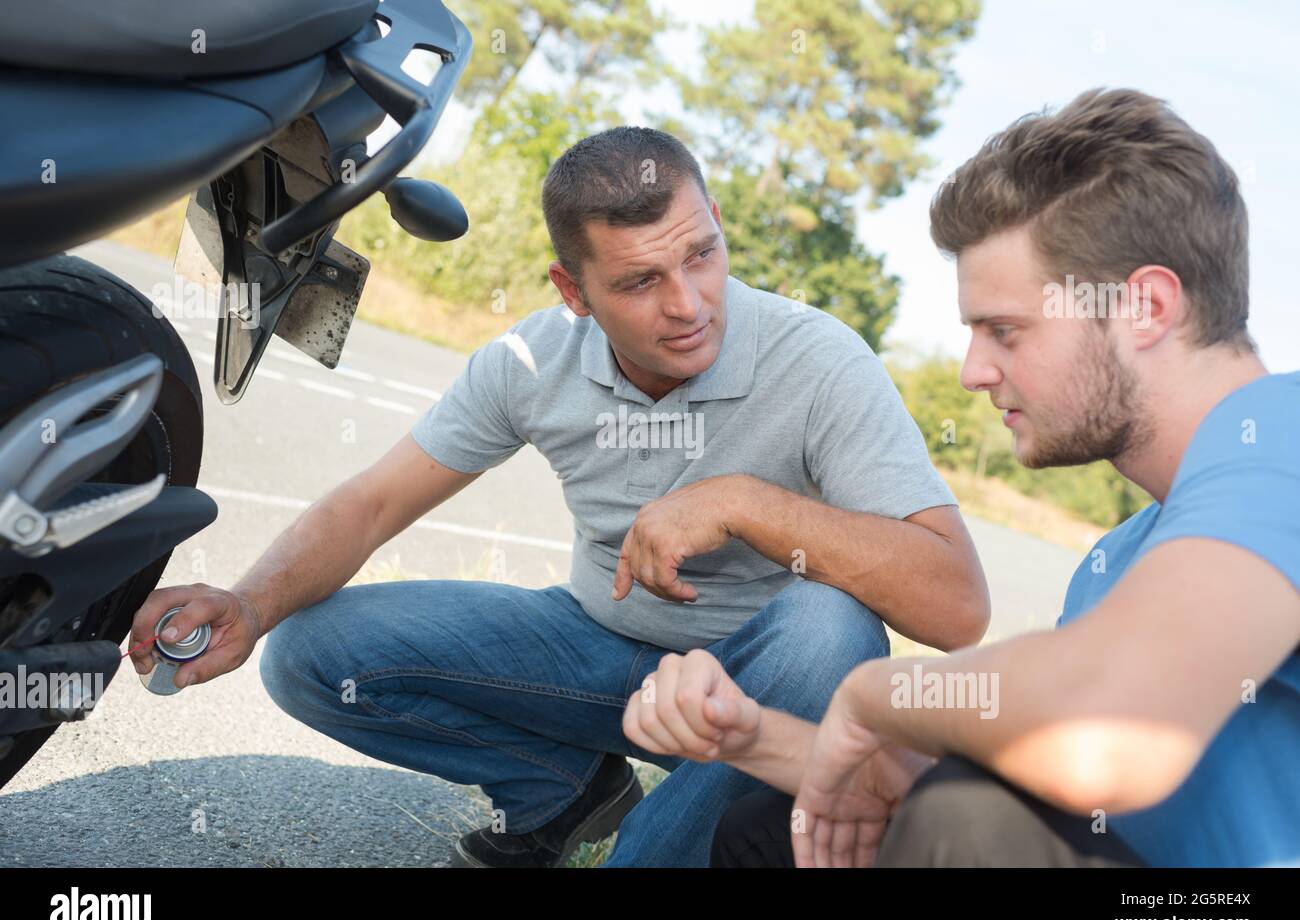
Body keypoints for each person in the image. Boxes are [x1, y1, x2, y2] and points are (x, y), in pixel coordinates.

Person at [127, 127, 989, 867]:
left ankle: (661, 843)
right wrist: (248, 599)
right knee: (307, 651)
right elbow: (373, 504)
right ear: (573, 292)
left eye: (701, 255)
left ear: (718, 227)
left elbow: (956, 605)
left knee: (830, 626)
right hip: (599, 654)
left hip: (761, 690)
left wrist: (745, 502)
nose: (689, 305)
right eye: (641, 281)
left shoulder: (821, 362)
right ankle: (561, 793)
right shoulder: (531, 361)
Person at [624, 88, 1300, 868]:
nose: (975, 370)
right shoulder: (1122, 558)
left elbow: (1110, 734)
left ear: (1144, 306)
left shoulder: (1282, 429)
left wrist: (875, 695)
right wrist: (748, 731)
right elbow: (1058, 804)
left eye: (1005, 331)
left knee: (967, 819)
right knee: (775, 827)